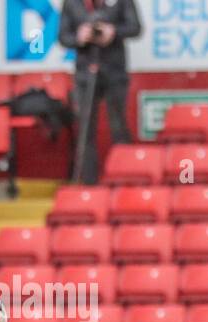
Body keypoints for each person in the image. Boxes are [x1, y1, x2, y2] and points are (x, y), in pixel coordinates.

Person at [59, 0, 142, 184]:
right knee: (85, 130)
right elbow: (63, 37)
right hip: (85, 73)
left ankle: (125, 180)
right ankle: (89, 185)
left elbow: (135, 27)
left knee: (119, 127)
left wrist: (113, 31)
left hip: (114, 71)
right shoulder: (72, 3)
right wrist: (79, 37)